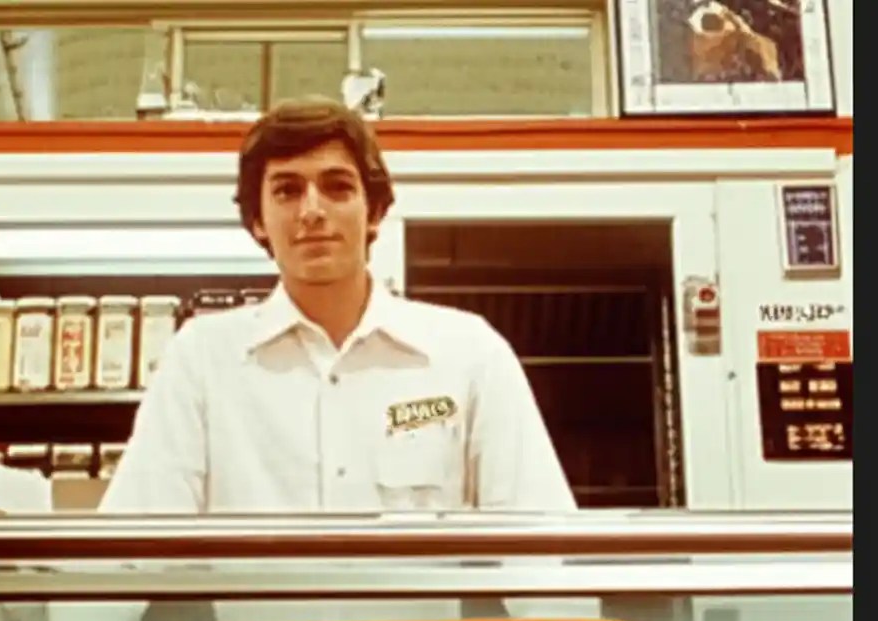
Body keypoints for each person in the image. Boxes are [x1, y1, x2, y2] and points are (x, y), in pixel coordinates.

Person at [99, 95, 575, 515]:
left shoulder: (470, 354)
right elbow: (129, 551)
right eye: (287, 190)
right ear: (258, 220)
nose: (312, 210)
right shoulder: (201, 360)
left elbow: (542, 546)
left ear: (375, 212)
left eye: (337, 186)